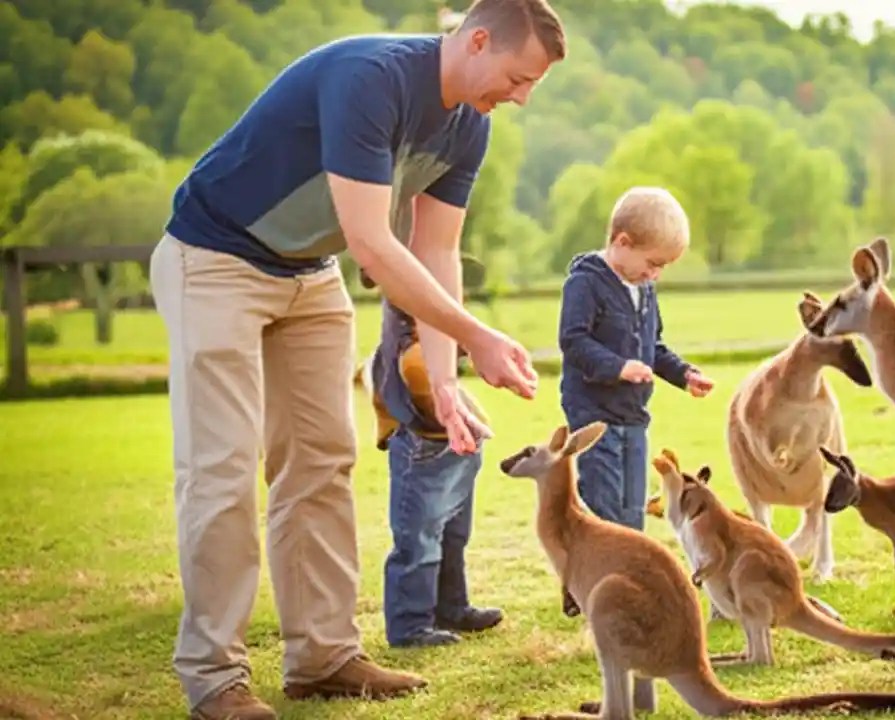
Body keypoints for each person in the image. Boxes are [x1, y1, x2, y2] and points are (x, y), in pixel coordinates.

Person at [147, 0, 566, 716]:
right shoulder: (372, 78)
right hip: (213, 258)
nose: (521, 97)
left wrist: (442, 377)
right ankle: (215, 679)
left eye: (533, 87)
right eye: (518, 77)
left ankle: (323, 656)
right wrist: (476, 335)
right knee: (221, 469)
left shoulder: (470, 127)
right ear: (478, 39)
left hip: (308, 272)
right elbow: (373, 243)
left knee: (322, 460)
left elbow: (436, 251)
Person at [557, 187, 716, 534]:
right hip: (595, 420)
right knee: (605, 513)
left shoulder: (643, 288)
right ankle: (596, 584)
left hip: (634, 418)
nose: (655, 274)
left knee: (632, 513)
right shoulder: (585, 283)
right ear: (623, 242)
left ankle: (629, 583)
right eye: (653, 263)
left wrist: (683, 374)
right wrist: (618, 367)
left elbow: (652, 347)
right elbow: (573, 341)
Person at [361, 325, 502, 648]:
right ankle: (410, 626)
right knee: (419, 541)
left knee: (453, 535)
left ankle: (451, 608)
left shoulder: (432, 340)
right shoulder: (410, 352)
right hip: (426, 450)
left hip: (453, 451)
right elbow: (423, 390)